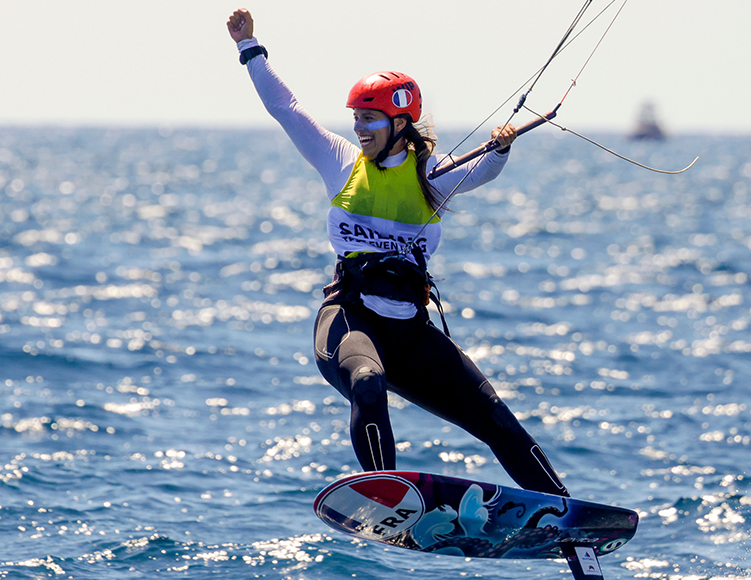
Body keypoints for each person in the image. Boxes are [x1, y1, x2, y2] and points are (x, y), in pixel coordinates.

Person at [228, 8, 569, 497]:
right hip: (351, 321)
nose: (359, 128)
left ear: (401, 122)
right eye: (356, 118)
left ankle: (564, 515)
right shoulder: (340, 161)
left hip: (410, 333)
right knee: (367, 383)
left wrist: (500, 148)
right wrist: (249, 47)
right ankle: (385, 496)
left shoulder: (432, 176)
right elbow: (287, 108)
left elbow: (483, 172)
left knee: (496, 417)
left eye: (369, 119)